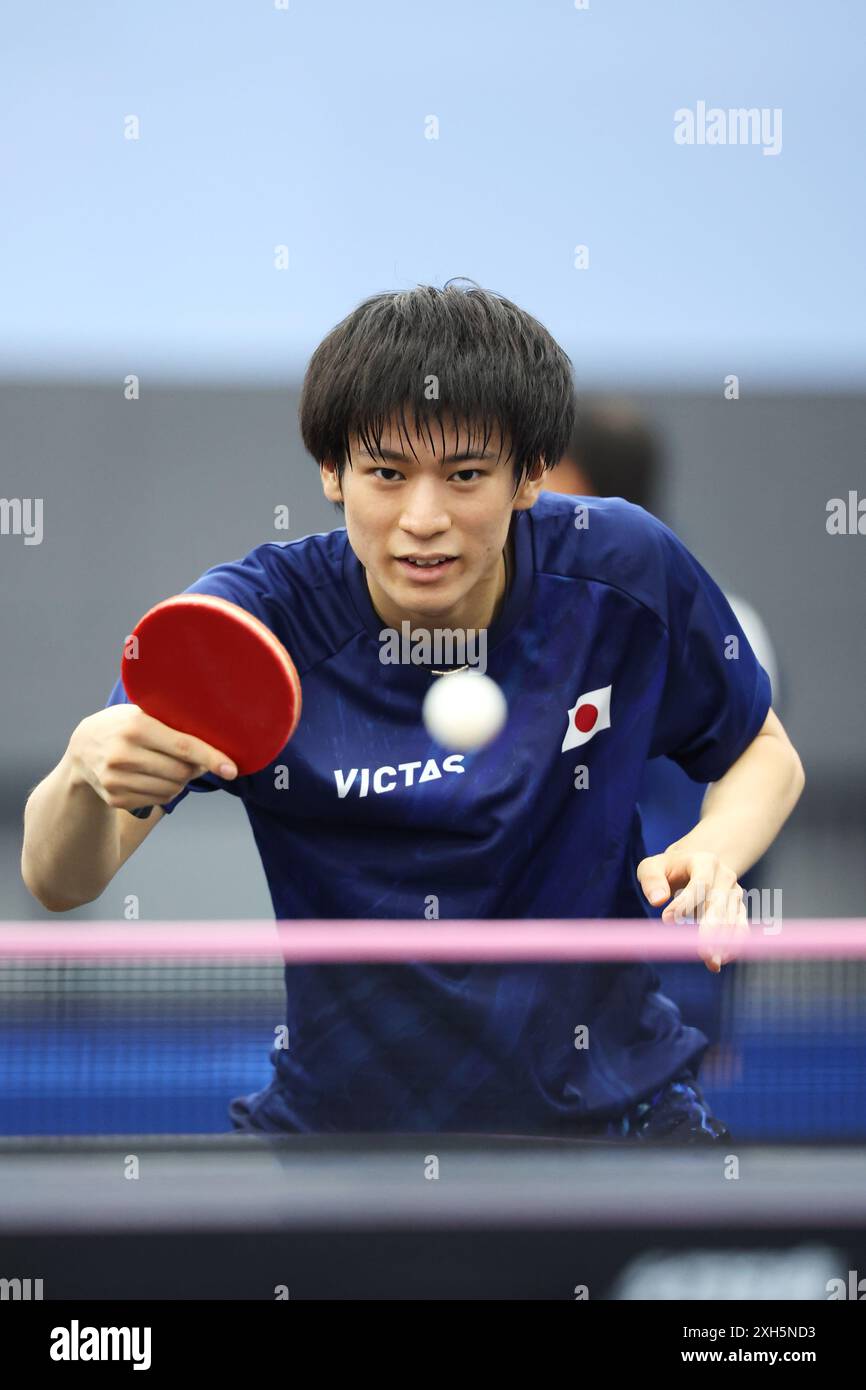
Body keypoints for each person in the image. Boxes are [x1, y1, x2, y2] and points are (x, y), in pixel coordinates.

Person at [21, 281, 805, 1144]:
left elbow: (763, 751)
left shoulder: (621, 573)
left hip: (619, 1117)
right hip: (343, 1141)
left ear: (530, 473)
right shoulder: (247, 628)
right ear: (331, 470)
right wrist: (81, 777)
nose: (421, 521)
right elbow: (62, 880)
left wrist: (715, 850)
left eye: (465, 475)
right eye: (386, 475)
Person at [545, 402, 782, 1048]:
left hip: (642, 977)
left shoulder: (703, 624)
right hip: (616, 976)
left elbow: (740, 801)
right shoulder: (734, 615)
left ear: (574, 481)